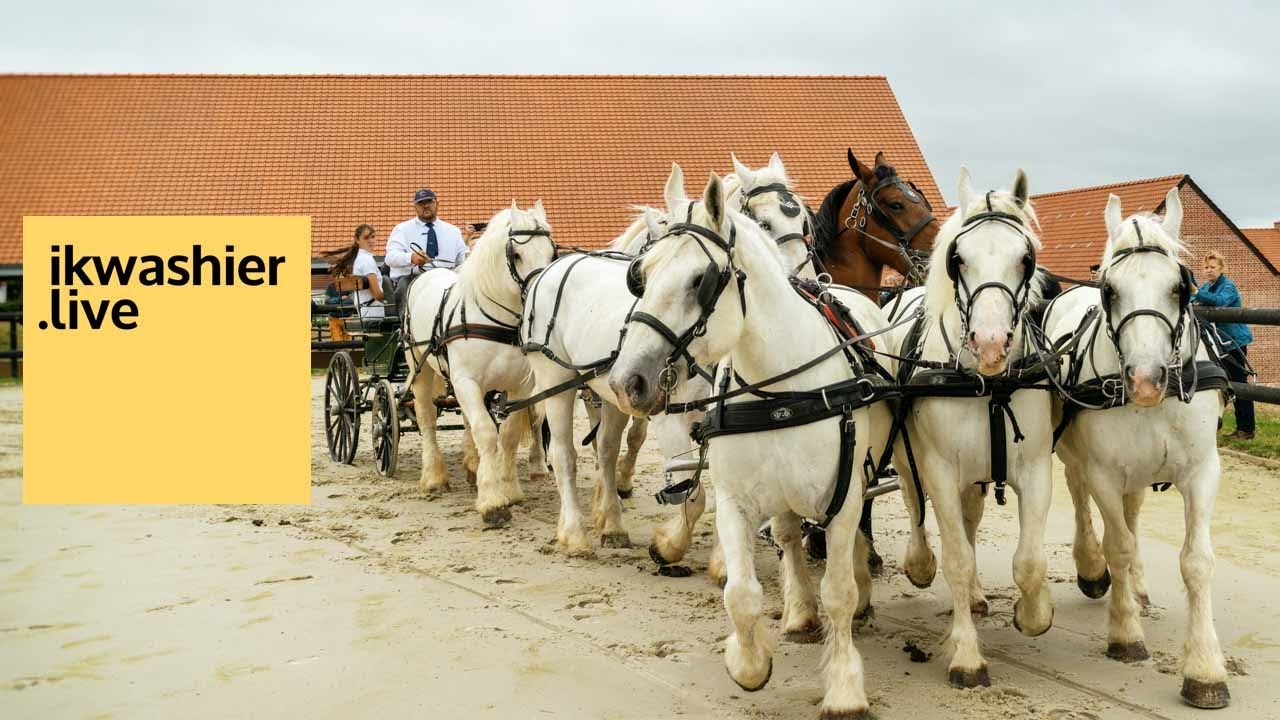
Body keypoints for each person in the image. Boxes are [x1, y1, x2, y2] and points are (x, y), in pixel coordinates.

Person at [1193, 250, 1256, 439]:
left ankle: (1247, 428)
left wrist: (1196, 292)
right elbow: (1196, 300)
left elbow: (1220, 302)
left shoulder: (1228, 286)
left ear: (1221, 268)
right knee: (1224, 382)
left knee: (1239, 382)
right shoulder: (1207, 286)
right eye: (1206, 267)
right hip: (1219, 342)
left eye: (1213, 267)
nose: (1209, 270)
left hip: (1233, 341)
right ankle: (1235, 425)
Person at [321, 223, 385, 320]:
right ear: (357, 240)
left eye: (373, 237)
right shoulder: (367, 260)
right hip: (374, 313)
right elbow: (377, 295)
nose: (371, 241)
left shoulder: (359, 258)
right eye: (366, 238)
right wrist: (393, 299)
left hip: (365, 311)